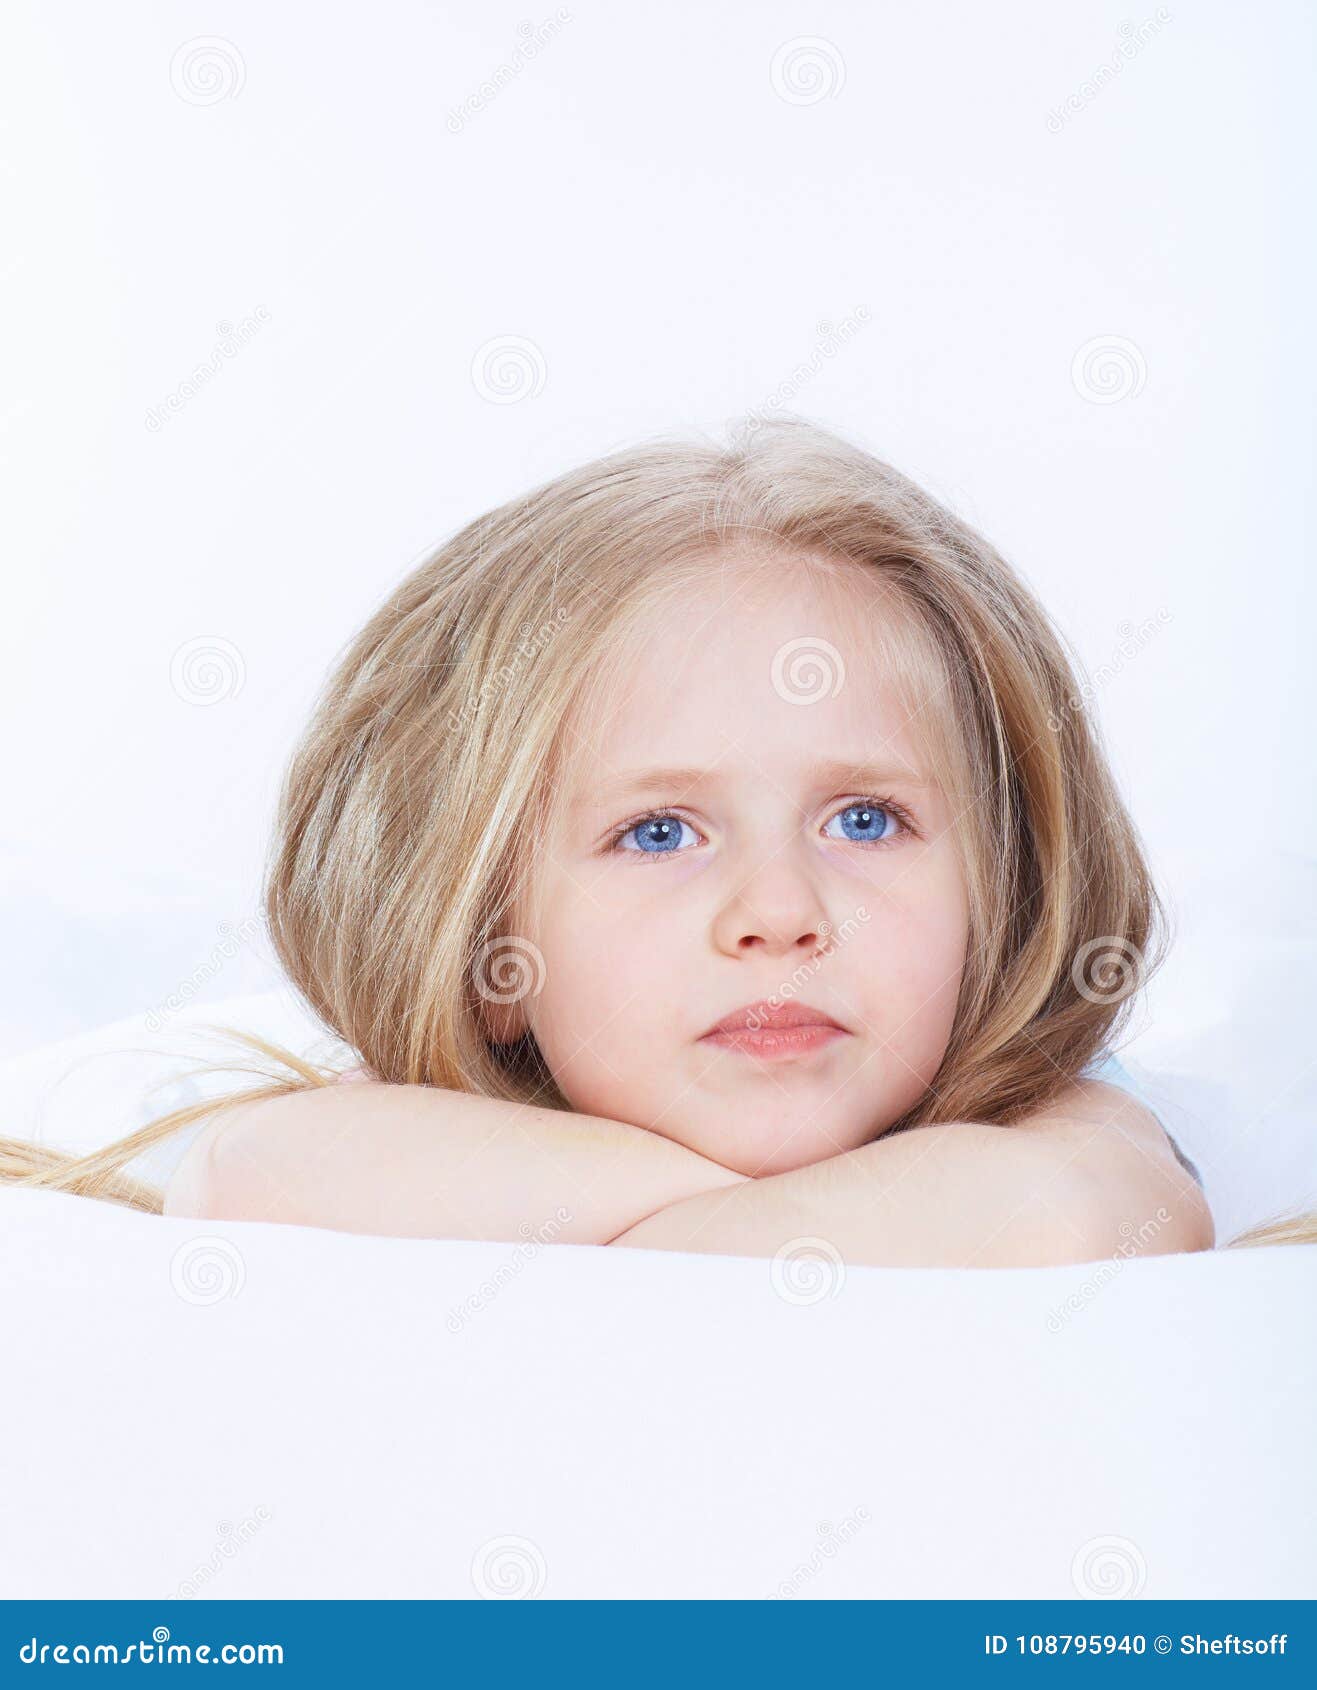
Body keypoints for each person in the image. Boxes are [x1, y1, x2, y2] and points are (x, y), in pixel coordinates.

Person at [3, 419, 1306, 1261]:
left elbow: (1077, 1214)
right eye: (657, 830)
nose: (779, 911)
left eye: (865, 818)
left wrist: (641, 1230)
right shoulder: (379, 1101)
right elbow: (252, 1179)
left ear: (1004, 893)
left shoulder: (1061, 1119)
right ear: (484, 943)